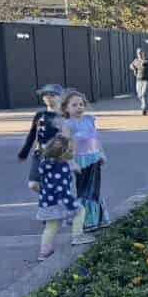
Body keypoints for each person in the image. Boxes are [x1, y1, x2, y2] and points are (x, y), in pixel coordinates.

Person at [59, 89, 108, 234]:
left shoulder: (89, 120)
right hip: (81, 161)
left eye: (81, 104)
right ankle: (84, 219)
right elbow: (66, 146)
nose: (79, 107)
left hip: (94, 159)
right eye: (74, 105)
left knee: (94, 189)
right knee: (85, 190)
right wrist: (71, 162)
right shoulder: (68, 124)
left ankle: (98, 218)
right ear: (66, 108)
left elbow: (95, 139)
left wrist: (102, 154)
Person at [34, 134, 86, 261]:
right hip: (59, 201)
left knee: (51, 226)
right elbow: (62, 189)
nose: (74, 152)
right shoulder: (61, 167)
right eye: (72, 150)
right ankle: (77, 237)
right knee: (80, 211)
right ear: (63, 153)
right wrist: (71, 205)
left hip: (46, 202)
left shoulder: (47, 163)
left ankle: (44, 253)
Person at [17, 84, 64, 191]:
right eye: (45, 95)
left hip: (59, 156)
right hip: (40, 154)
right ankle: (51, 195)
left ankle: (59, 199)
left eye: (52, 95)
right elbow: (32, 135)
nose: (48, 97)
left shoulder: (65, 116)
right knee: (33, 184)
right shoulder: (40, 115)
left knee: (59, 185)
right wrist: (23, 153)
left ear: (60, 97)